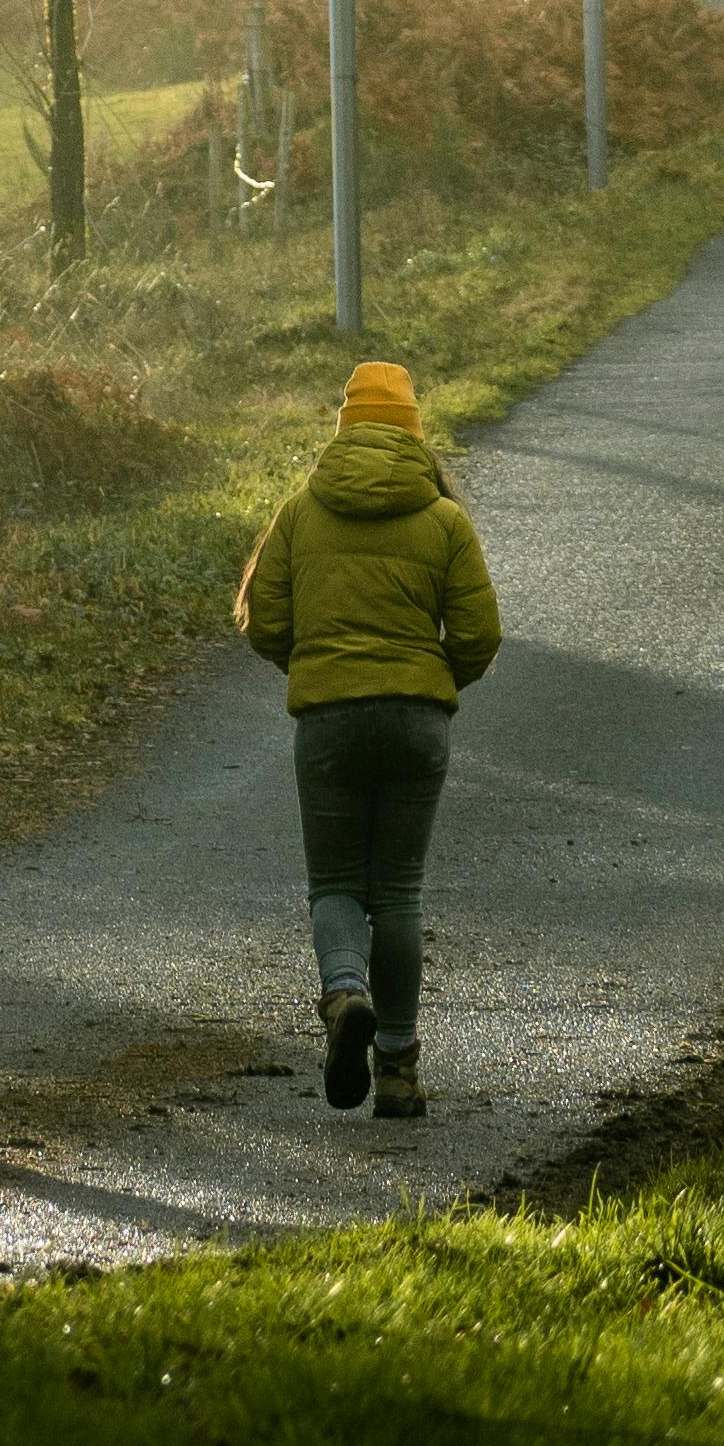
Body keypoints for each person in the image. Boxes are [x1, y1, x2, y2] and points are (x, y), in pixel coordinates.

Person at [236, 356, 499, 1120]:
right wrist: (431, 680)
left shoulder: (299, 513)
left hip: (329, 722)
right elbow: (481, 633)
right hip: (417, 722)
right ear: (415, 432)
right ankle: (399, 1072)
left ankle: (345, 993)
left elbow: (265, 620)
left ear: (343, 427)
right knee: (400, 891)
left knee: (337, 885)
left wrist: (317, 671)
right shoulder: (444, 519)